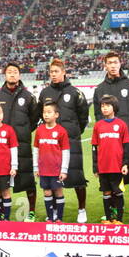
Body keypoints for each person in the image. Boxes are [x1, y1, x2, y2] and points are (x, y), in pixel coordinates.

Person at [91, 51, 129, 220]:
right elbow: (98, 114)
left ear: (120, 63)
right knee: (113, 177)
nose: (113, 65)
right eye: (110, 63)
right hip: (110, 142)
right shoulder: (100, 89)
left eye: (116, 62)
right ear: (105, 65)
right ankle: (113, 209)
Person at [37, 58, 90, 222]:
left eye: (56, 71)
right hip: (50, 145)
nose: (53, 75)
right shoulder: (45, 93)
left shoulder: (75, 92)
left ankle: (82, 209)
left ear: (64, 72)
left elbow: (83, 117)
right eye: (51, 72)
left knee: (76, 176)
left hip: (71, 141)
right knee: (52, 179)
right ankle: (53, 210)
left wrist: (73, 132)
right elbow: (42, 114)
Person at [0, 62, 38, 220]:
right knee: (2, 180)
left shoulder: (28, 96)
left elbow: (34, 118)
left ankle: (30, 211)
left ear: (19, 75)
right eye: (9, 72)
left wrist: (24, 131)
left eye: (15, 72)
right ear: (4, 75)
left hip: (22, 143)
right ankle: (3, 214)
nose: (12, 74)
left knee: (27, 178)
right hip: (1, 145)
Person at [92, 95, 129, 223]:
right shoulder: (98, 125)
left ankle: (119, 219)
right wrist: (95, 166)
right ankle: (108, 219)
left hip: (117, 166)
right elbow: (94, 147)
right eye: (102, 106)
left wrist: (125, 164)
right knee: (106, 192)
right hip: (103, 167)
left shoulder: (121, 125)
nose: (104, 108)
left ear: (114, 107)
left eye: (107, 106)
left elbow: (126, 147)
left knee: (118, 192)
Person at [34, 100, 71, 222]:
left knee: (58, 191)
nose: (46, 115)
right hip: (43, 169)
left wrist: (64, 170)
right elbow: (36, 150)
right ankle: (50, 217)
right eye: (44, 112)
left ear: (56, 115)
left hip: (56, 170)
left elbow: (65, 151)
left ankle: (59, 218)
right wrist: (35, 167)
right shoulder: (39, 130)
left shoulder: (61, 131)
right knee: (47, 192)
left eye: (49, 112)